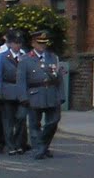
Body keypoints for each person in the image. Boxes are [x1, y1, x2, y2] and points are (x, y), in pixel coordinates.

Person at [23, 30, 67, 159]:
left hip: (51, 93)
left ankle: (42, 145)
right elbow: (21, 80)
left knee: (53, 121)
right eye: (39, 43)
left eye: (44, 43)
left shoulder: (53, 57)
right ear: (33, 43)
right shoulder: (26, 59)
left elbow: (59, 78)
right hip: (35, 93)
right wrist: (23, 97)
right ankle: (39, 148)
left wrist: (62, 95)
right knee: (34, 124)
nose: (42, 46)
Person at [0, 29, 30, 155]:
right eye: (15, 42)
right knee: (8, 121)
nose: (17, 45)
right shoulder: (3, 57)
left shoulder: (25, 57)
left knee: (21, 118)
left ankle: (19, 143)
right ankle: (10, 145)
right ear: (10, 44)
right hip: (7, 91)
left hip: (21, 92)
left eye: (19, 42)